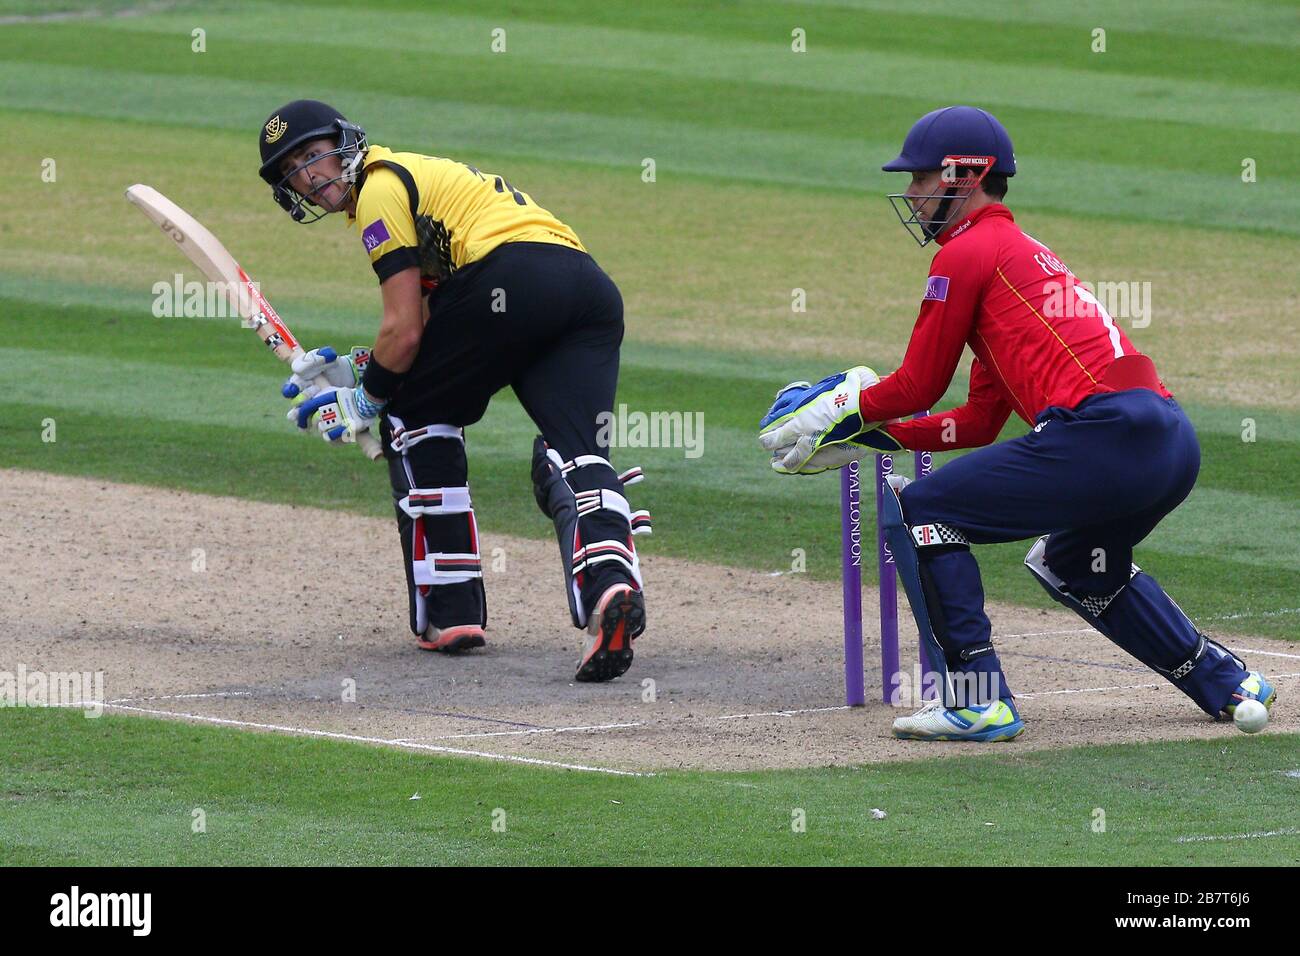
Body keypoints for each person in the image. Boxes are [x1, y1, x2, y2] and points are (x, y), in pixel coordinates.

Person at [759, 105, 1276, 740]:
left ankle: (978, 702)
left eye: (921, 178)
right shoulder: (1016, 259)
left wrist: (841, 413)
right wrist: (871, 435)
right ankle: (1227, 681)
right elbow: (976, 422)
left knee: (923, 512)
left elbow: (918, 384)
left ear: (964, 175)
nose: (913, 194)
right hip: (1168, 441)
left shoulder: (968, 252)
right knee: (1076, 563)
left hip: (1105, 433)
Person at [255, 99, 650, 682]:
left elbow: (406, 330)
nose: (310, 178)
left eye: (314, 157)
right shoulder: (422, 177)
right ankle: (608, 590)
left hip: (508, 280)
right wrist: (367, 368)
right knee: (578, 449)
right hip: (585, 289)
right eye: (294, 172)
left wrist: (367, 400)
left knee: (413, 412)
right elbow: (436, 323)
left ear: (346, 145)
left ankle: (452, 611)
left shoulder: (379, 188)